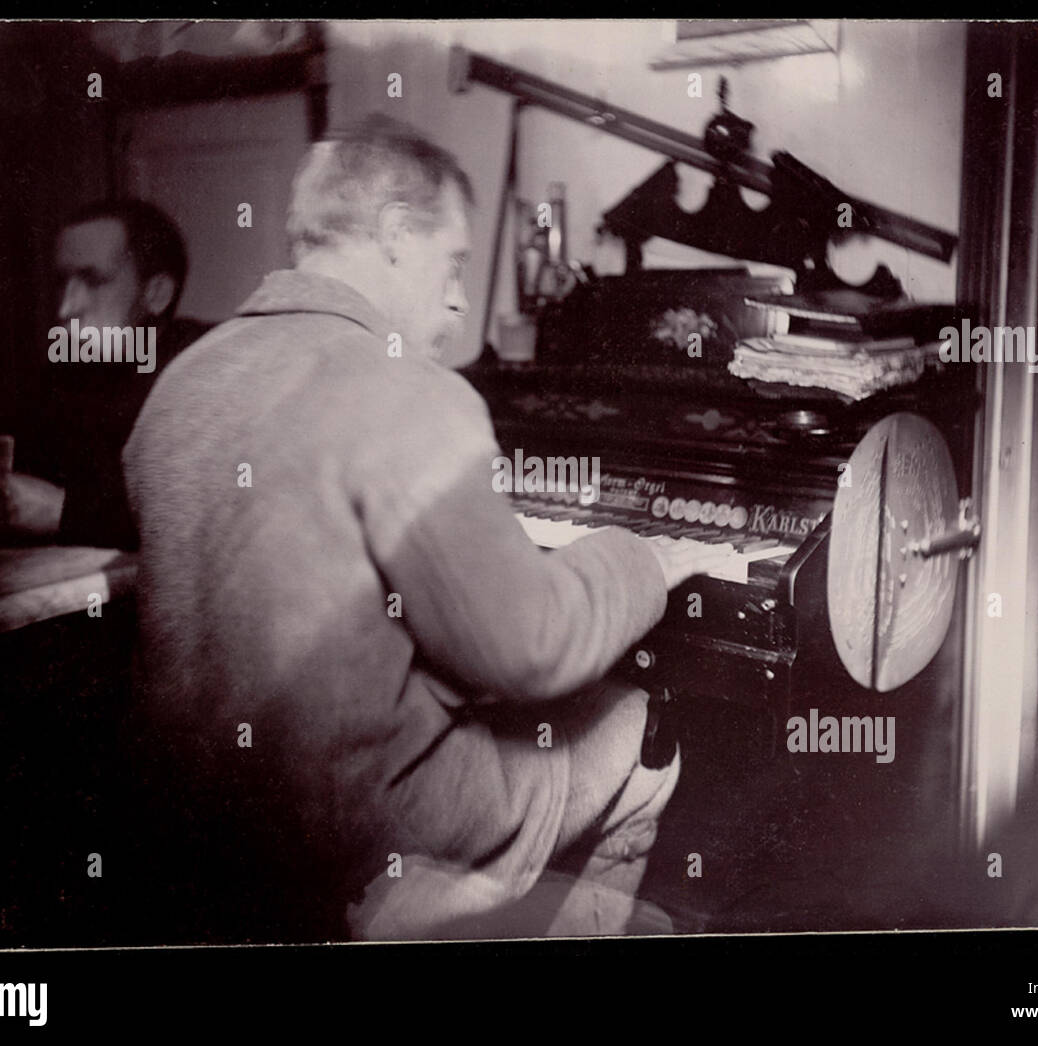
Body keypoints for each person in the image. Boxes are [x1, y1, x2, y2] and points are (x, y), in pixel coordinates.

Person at [121, 115, 732, 941]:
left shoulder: (182, 382)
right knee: (638, 716)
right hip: (360, 837)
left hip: (190, 826)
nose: (454, 299)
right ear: (397, 235)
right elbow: (534, 645)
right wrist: (645, 555)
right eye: (451, 263)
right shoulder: (404, 386)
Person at [0, 199, 209, 549]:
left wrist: (63, 511)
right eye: (63, 281)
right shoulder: (59, 375)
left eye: (93, 280)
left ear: (157, 294)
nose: (65, 307)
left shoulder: (205, 368)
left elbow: (207, 514)